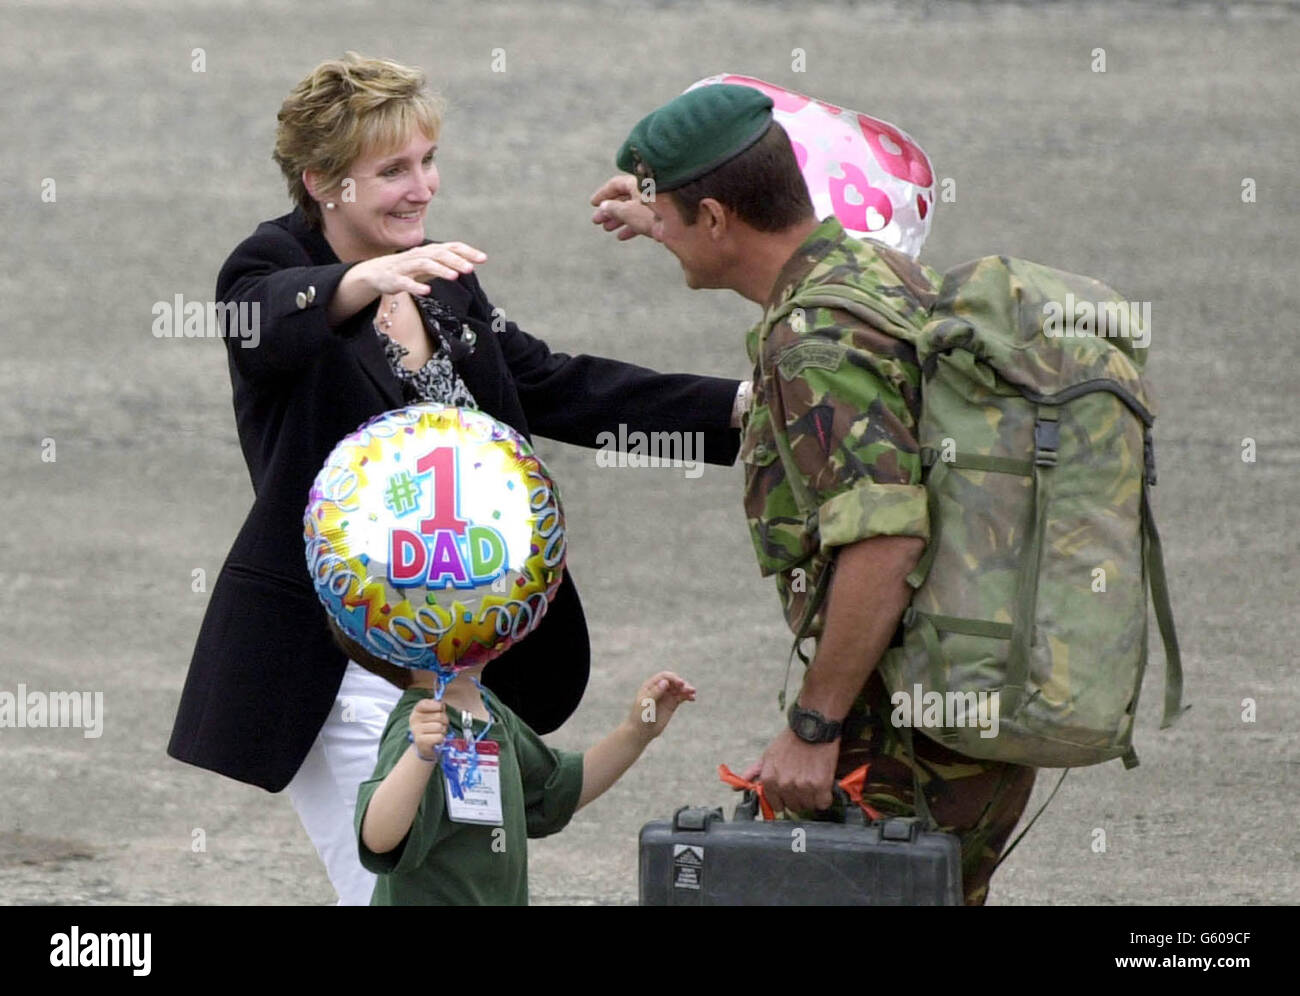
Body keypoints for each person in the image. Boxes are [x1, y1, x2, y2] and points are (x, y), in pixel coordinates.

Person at [166, 53, 744, 906]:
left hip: (457, 665)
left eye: (428, 161)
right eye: (392, 170)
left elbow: (554, 384)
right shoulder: (270, 268)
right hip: (342, 659)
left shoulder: (443, 278)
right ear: (322, 181)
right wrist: (359, 283)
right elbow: (262, 324)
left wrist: (739, 406)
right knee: (389, 892)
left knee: (454, 890)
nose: (422, 187)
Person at [591, 84, 1037, 905]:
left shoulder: (815, 340)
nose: (671, 240)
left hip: (917, 725)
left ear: (721, 217)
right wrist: (665, 215)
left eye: (679, 220)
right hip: (964, 687)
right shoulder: (869, 269)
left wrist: (813, 727)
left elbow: (886, 538)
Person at [358, 666, 695, 905]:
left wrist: (640, 728)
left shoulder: (489, 712)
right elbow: (380, 838)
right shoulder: (415, 726)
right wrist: (420, 756)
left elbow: (558, 788)